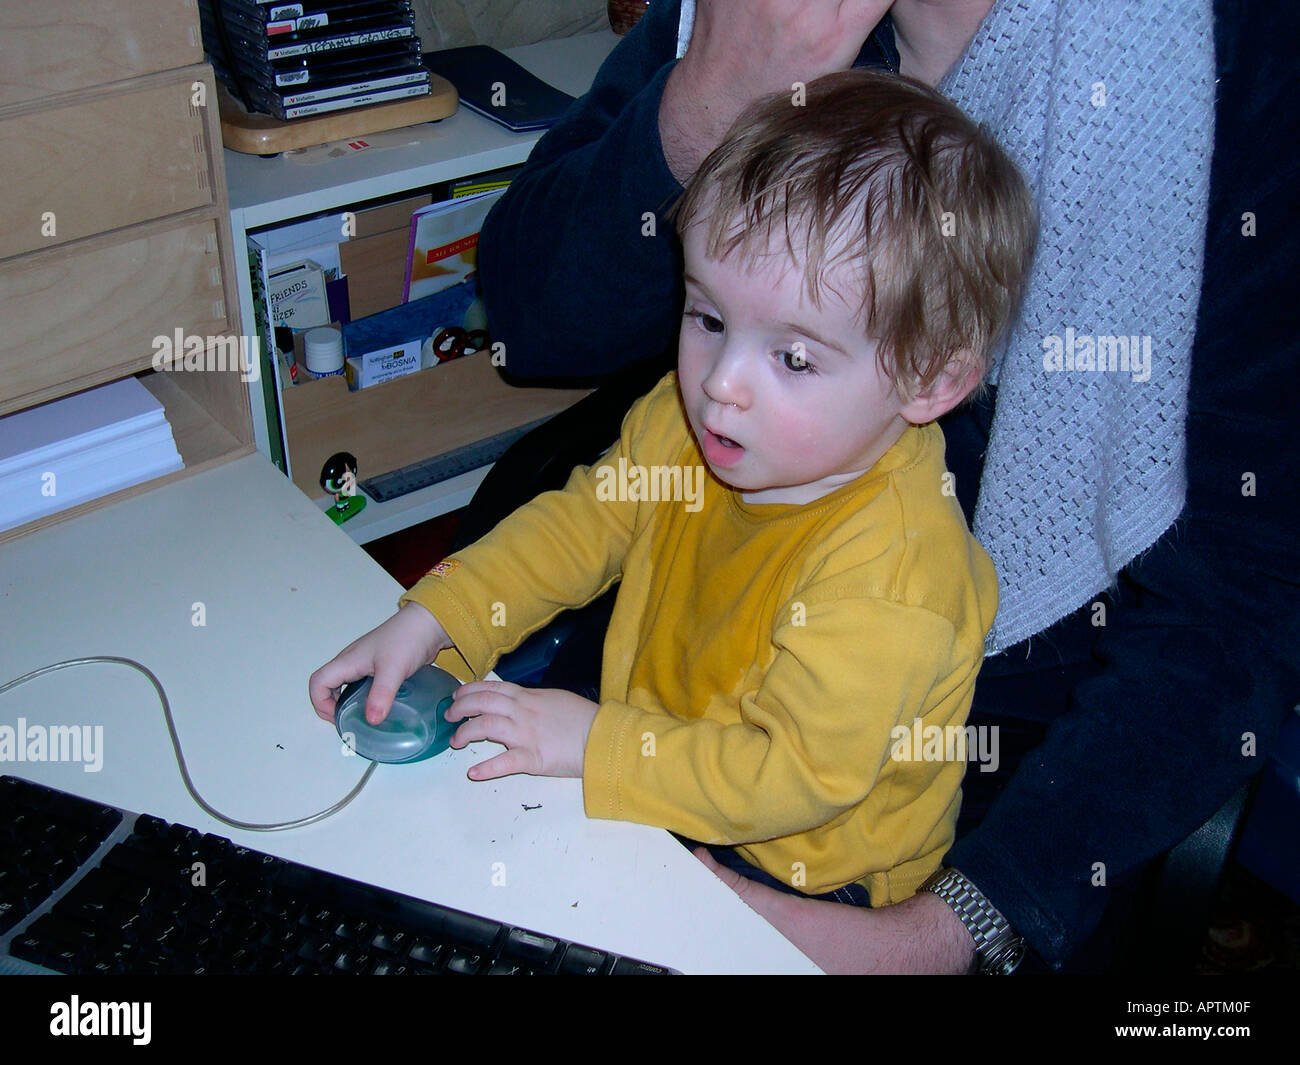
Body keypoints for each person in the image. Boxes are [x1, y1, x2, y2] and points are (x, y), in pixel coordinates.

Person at [462, 0, 1300, 973]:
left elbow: (1247, 595)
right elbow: (529, 327)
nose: (728, 382)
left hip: (986, 765)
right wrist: (713, 90)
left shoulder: (1229, 60)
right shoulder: (744, 14)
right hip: (683, 629)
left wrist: (957, 926)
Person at [310, 69, 1037, 907]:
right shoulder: (693, 423)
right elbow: (579, 528)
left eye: (794, 358)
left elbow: (793, 776)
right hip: (663, 744)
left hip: (806, 862)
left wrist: (600, 747)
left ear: (929, 380)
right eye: (709, 318)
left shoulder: (898, 576)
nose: (721, 382)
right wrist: (437, 616)